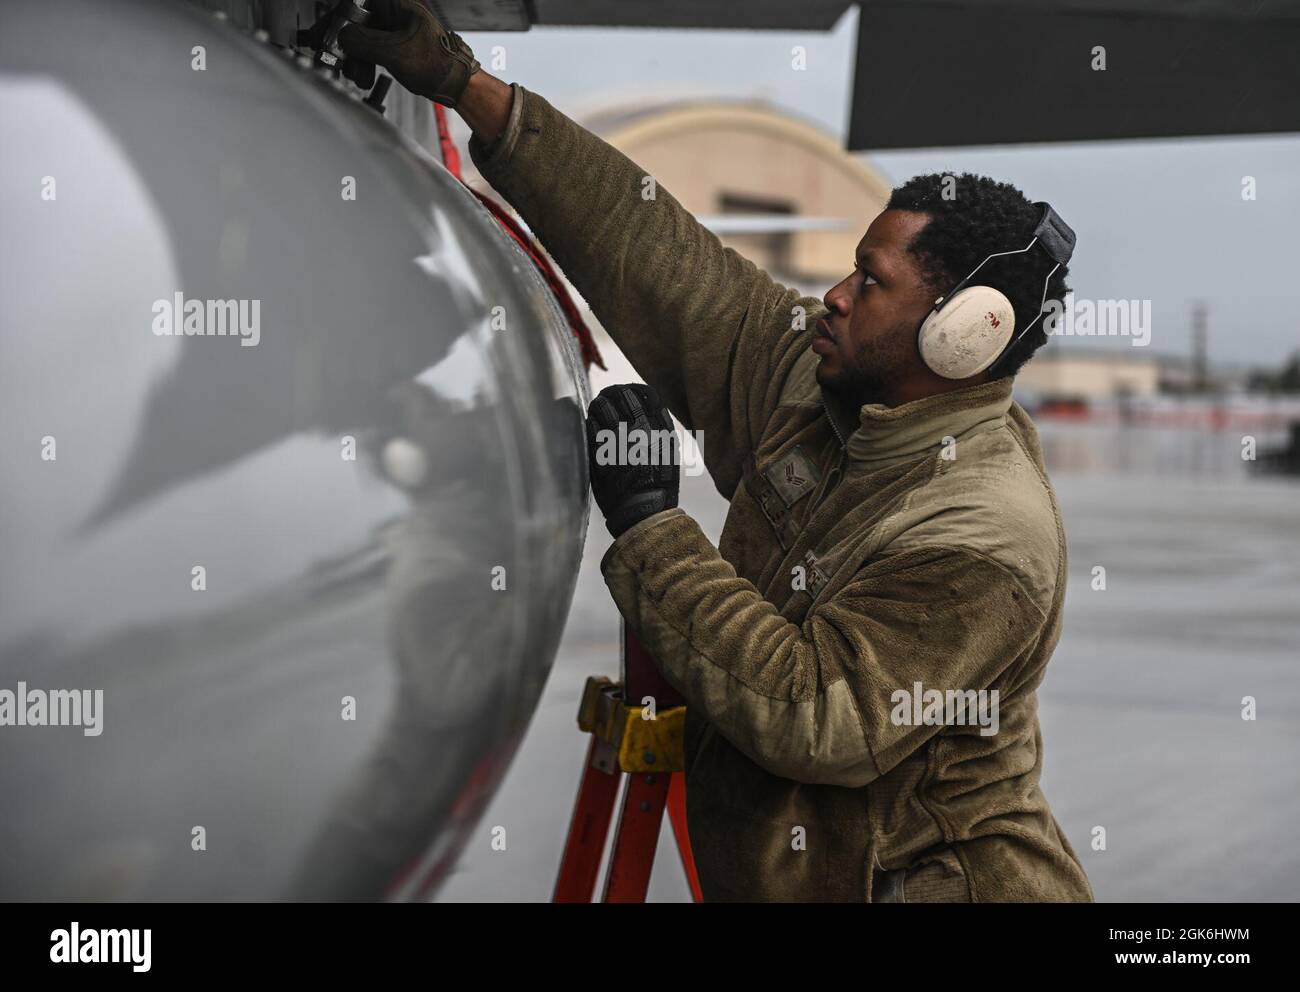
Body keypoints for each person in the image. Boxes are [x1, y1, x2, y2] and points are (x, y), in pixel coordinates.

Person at [341, 0, 1093, 902]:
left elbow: (816, 714)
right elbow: (663, 263)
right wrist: (466, 86)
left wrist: (653, 525)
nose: (836, 294)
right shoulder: (828, 386)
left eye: (873, 281)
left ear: (962, 336)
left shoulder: (983, 535)